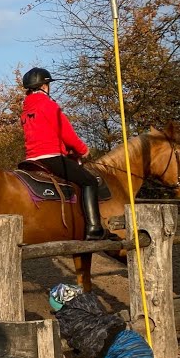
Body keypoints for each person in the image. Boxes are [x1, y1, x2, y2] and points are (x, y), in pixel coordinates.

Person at [21, 67, 111, 240]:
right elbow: (66, 133)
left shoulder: (25, 110)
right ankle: (94, 228)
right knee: (89, 181)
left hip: (31, 159)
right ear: (45, 86)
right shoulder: (49, 105)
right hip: (51, 158)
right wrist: (82, 150)